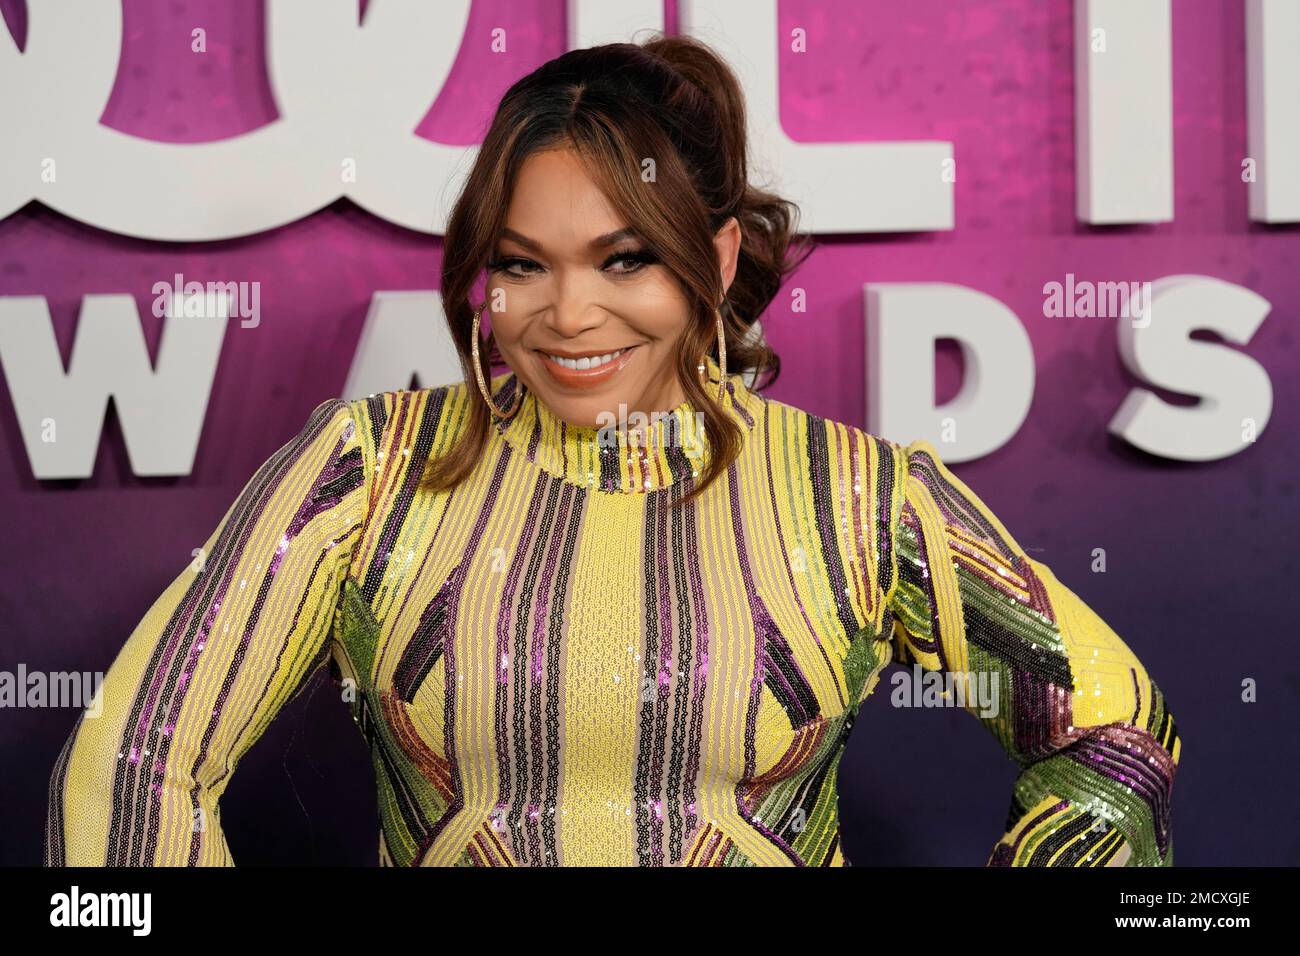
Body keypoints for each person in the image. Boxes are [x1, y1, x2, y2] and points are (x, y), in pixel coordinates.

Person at [43, 35, 1179, 867]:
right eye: (521, 263)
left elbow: (1114, 737)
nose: (569, 314)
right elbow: (131, 766)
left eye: (624, 258)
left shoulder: (859, 496)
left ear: (714, 259)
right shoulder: (367, 470)